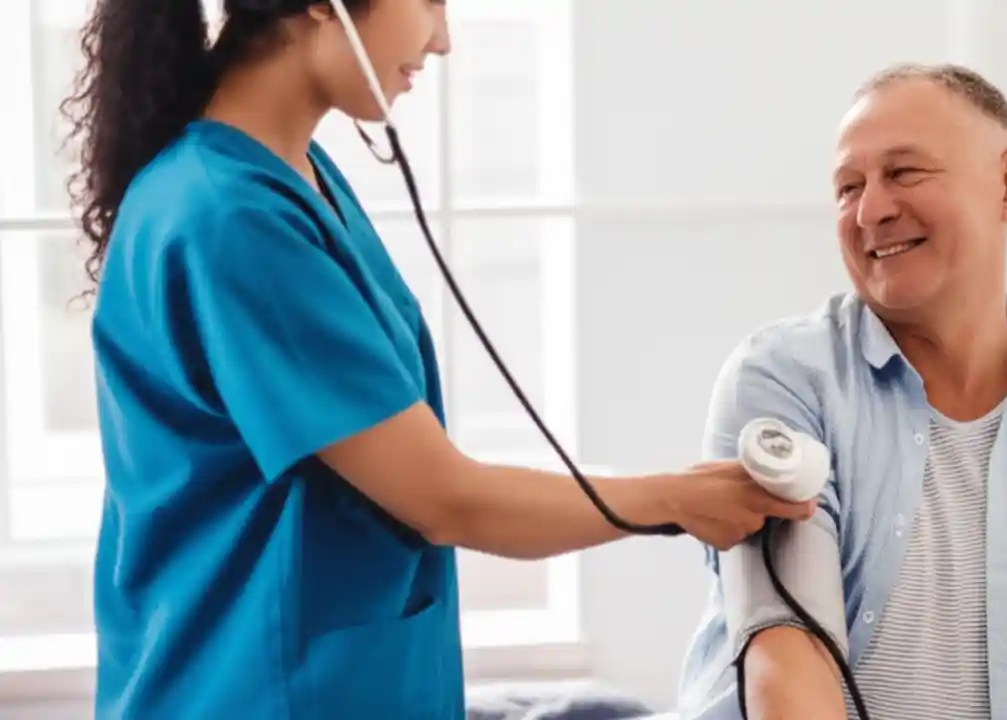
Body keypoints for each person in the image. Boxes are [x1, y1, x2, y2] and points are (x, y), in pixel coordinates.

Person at [64, 1, 817, 717]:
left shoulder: (288, 177)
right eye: (430, 3)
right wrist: (675, 500)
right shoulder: (233, 218)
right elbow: (446, 500)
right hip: (257, 690)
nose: (442, 40)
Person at [677, 63, 1007, 719]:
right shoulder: (784, 380)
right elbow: (788, 659)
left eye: (904, 173)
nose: (870, 211)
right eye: (848, 187)